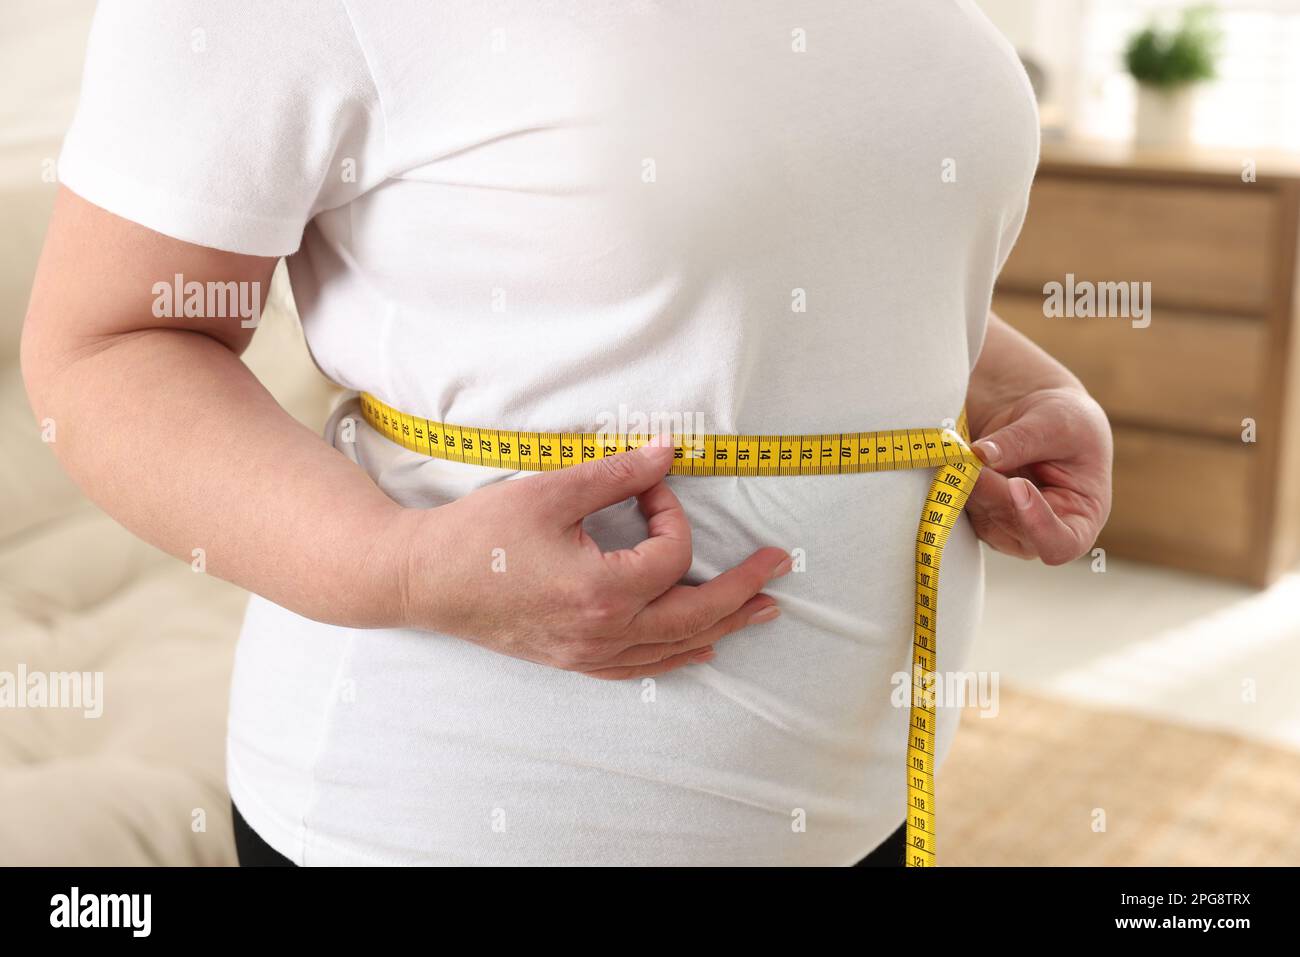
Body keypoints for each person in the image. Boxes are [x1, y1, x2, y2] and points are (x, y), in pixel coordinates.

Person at [22, 0, 1111, 866]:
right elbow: (106, 349)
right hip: (457, 818)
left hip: (863, 801)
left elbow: (781, 236)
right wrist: (399, 567)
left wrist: (1005, 383)